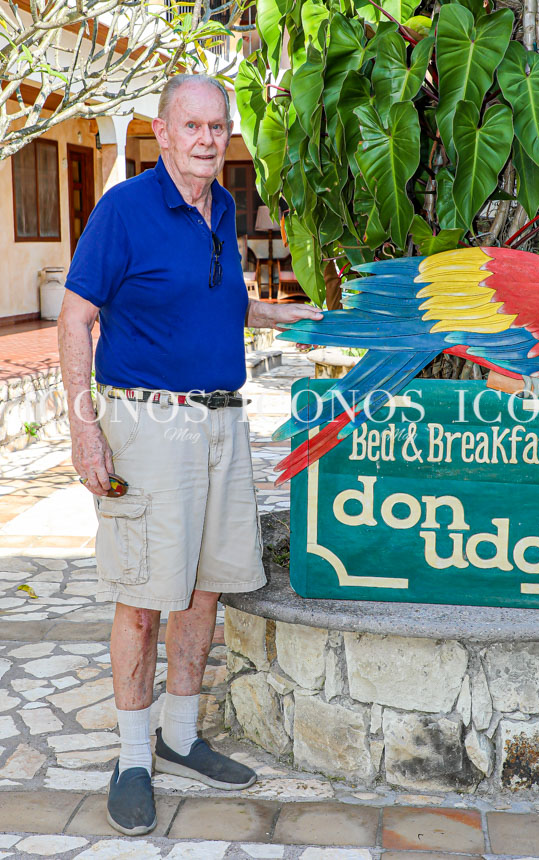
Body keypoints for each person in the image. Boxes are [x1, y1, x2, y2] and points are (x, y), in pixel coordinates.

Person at [58, 74, 322, 836]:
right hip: (146, 427)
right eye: (192, 126)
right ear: (163, 133)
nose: (207, 139)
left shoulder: (222, 206)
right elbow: (77, 320)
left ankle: (179, 736)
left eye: (218, 126)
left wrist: (285, 315)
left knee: (204, 589)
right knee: (142, 598)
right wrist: (84, 428)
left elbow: (220, 300)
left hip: (219, 424)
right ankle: (134, 757)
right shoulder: (123, 211)